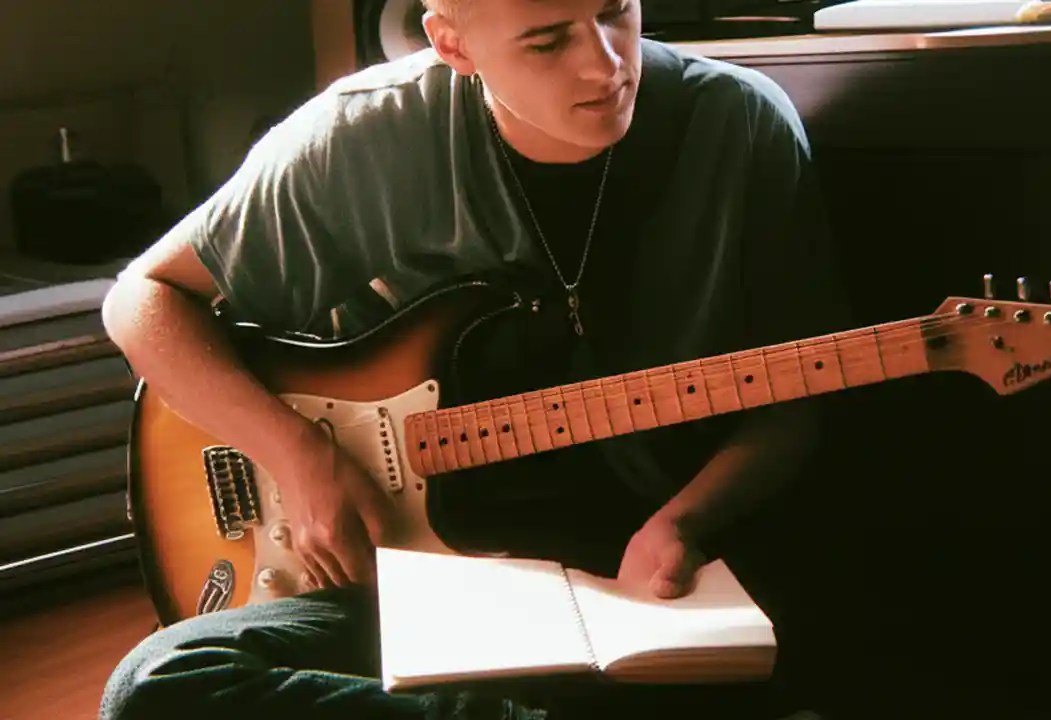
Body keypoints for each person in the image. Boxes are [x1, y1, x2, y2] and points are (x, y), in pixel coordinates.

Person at [98, 0, 851, 718]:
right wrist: (297, 454)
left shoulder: (740, 124)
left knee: (844, 643)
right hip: (422, 576)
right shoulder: (366, 136)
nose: (606, 64)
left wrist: (685, 522)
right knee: (156, 684)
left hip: (639, 576)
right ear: (452, 44)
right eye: (548, 40)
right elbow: (143, 300)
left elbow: (795, 405)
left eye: (616, 11)